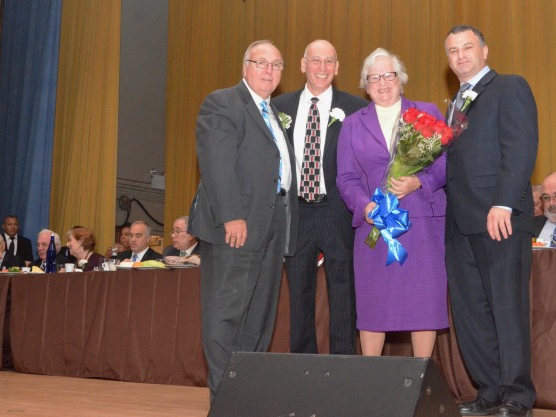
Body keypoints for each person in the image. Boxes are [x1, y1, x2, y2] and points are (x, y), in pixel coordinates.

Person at [188, 39, 298, 400]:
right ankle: (224, 399)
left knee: (260, 317)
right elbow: (217, 165)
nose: (269, 70)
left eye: (276, 65)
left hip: (272, 225)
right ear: (244, 67)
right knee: (226, 314)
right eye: (261, 62)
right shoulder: (223, 102)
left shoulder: (274, 112)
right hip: (236, 226)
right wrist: (231, 216)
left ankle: (245, 396)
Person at [442, 25, 537, 417]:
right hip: (459, 222)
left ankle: (517, 395)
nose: (460, 55)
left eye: (467, 47)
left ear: (484, 49)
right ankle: (489, 389)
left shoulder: (509, 86)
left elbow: (520, 147)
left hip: (499, 218)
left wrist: (503, 203)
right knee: (471, 310)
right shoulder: (454, 103)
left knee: (506, 307)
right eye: (452, 51)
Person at [336, 47, 447, 359]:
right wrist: (365, 207)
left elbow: (446, 164)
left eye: (388, 75)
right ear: (365, 84)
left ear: (401, 79)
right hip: (375, 228)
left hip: (423, 223)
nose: (382, 82)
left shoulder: (426, 113)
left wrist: (419, 181)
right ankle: (373, 382)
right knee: (373, 305)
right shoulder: (352, 125)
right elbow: (346, 177)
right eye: (374, 78)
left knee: (423, 303)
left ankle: (421, 376)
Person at [273, 39, 368, 355]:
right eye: (316, 60)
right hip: (295, 213)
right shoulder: (279, 107)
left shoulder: (356, 108)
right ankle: (304, 370)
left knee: (344, 294)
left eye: (330, 61)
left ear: (338, 68)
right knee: (298, 294)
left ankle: (343, 369)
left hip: (337, 210)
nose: (323, 68)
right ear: (303, 65)